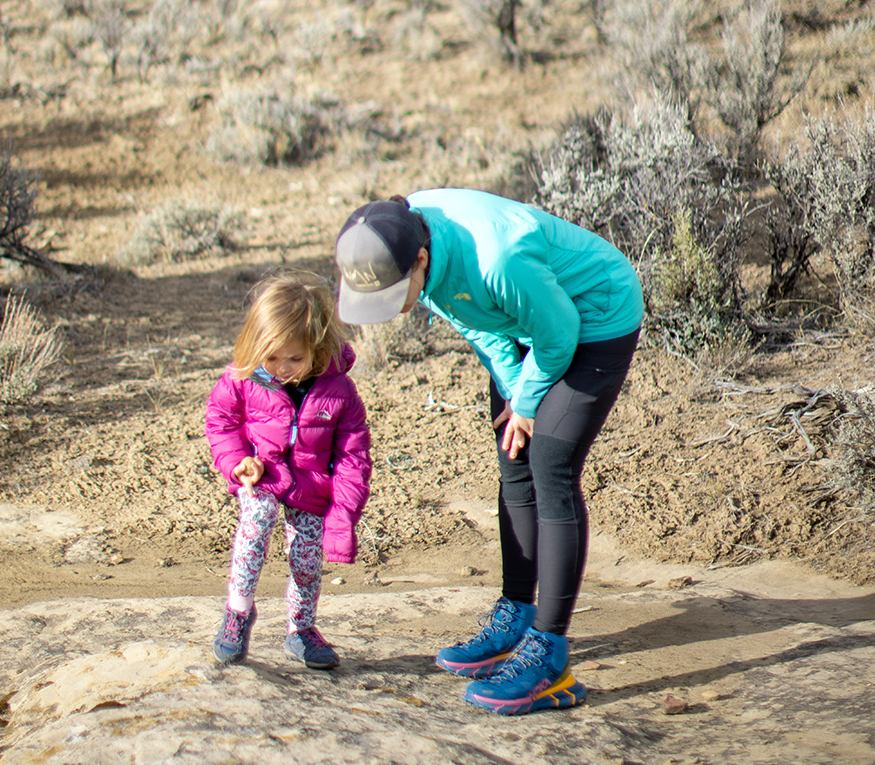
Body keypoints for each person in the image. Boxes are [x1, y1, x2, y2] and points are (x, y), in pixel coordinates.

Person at [334, 189, 642, 716]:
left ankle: (549, 656)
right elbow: (476, 321)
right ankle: (516, 617)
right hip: (526, 321)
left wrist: (527, 400)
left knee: (550, 463)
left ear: (421, 261)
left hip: (592, 316)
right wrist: (512, 385)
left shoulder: (496, 256)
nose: (389, 311)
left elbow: (560, 332)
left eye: (392, 294)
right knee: (513, 462)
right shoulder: (405, 240)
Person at [205, 272, 372, 671]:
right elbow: (221, 421)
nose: (281, 369)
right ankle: (238, 613)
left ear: (318, 347)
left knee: (307, 556)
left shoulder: (340, 392)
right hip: (262, 475)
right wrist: (237, 462)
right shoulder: (244, 378)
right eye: (272, 357)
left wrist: (342, 517)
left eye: (295, 358)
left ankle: (301, 629)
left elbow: (354, 456)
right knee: (255, 524)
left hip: (313, 487)